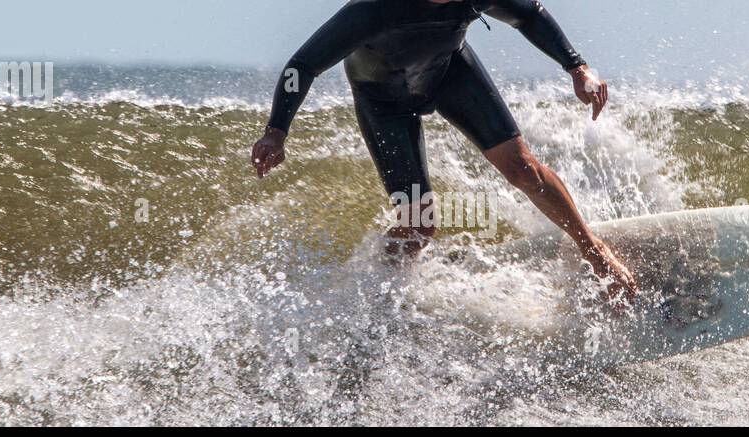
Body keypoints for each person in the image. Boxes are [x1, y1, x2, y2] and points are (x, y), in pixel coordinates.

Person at [251, 0, 638, 306]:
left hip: (449, 72)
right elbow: (302, 65)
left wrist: (578, 68)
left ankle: (595, 252)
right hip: (382, 100)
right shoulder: (374, 9)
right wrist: (276, 132)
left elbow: (529, 15)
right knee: (420, 224)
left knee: (523, 168)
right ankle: (379, 293)